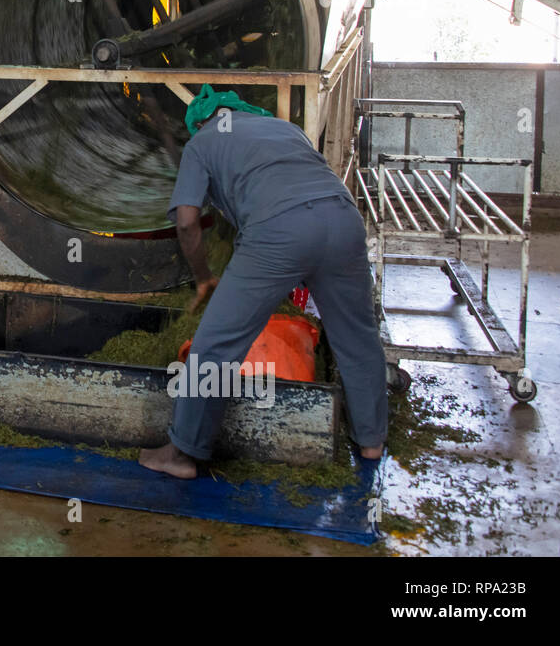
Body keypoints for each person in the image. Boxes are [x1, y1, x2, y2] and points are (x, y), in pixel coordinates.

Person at [137, 85, 388, 479]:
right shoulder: (285, 129)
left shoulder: (201, 143)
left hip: (277, 232)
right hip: (343, 217)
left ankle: (182, 452)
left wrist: (204, 278)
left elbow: (187, 221)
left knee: (216, 346)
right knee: (357, 335)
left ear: (201, 121)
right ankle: (371, 439)